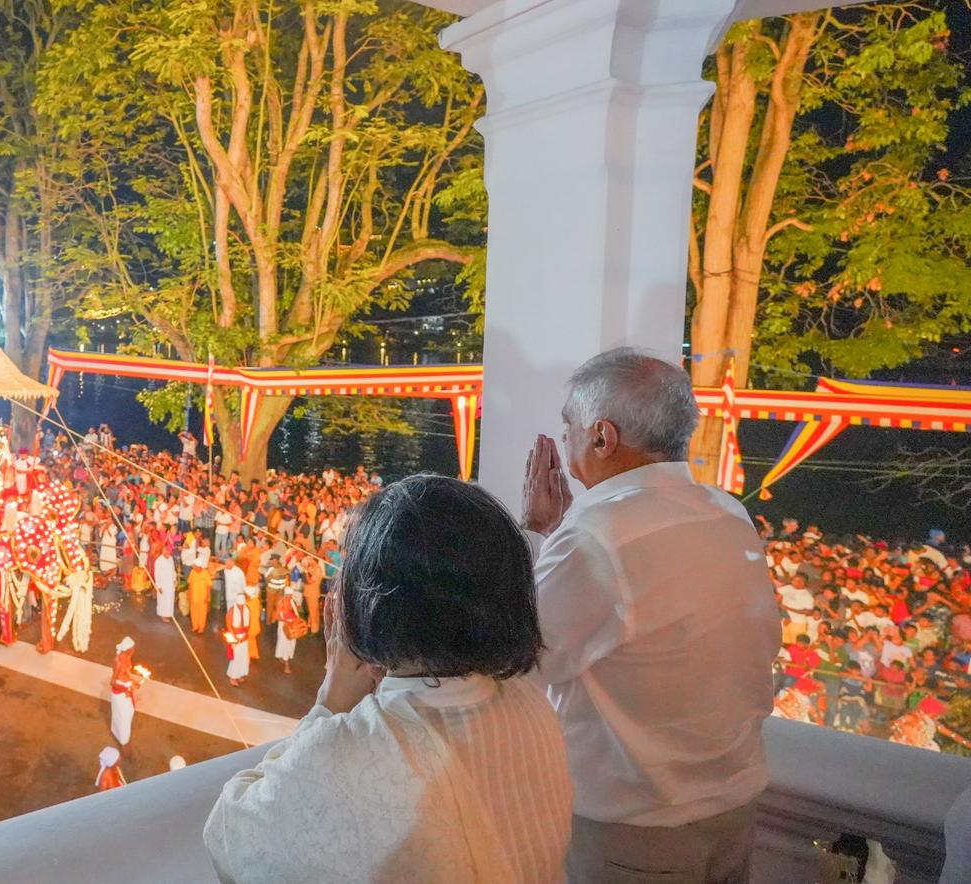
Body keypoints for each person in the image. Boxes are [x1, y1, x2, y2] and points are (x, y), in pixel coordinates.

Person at [204, 475, 572, 882]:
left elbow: (229, 836)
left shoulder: (354, 749)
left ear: (371, 605)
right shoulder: (533, 705)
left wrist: (329, 703)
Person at [521, 348, 779, 883]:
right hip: (733, 805)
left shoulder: (595, 537)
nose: (565, 439)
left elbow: (524, 660)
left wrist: (543, 535)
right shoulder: (728, 512)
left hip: (638, 831)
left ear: (602, 437)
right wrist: (558, 535)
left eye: (569, 426)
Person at [110, 637, 141, 746]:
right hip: (120, 691)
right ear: (127, 649)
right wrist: (126, 689)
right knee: (122, 715)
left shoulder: (127, 657)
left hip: (126, 688)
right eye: (132, 648)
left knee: (129, 712)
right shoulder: (118, 662)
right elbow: (113, 682)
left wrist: (134, 681)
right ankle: (122, 739)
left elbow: (127, 672)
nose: (133, 650)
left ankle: (123, 735)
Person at [273, 586, 303, 674]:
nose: (289, 597)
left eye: (290, 595)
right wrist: (286, 621)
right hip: (284, 625)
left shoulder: (292, 602)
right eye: (288, 595)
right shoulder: (280, 603)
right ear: (285, 595)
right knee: (285, 643)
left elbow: (295, 612)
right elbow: (276, 616)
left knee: (291, 643)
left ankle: (282, 656)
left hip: (292, 625)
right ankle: (286, 665)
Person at [224, 592, 251, 686]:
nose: (241, 607)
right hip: (236, 636)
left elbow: (248, 624)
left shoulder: (247, 609)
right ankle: (233, 677)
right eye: (239, 605)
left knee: (243, 657)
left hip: (244, 636)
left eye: (242, 605)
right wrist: (235, 636)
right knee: (236, 657)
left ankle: (239, 674)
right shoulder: (232, 610)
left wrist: (245, 634)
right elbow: (228, 624)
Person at [188, 549, 213, 634]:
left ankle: (201, 627)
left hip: (202, 598)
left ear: (199, 566)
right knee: (193, 612)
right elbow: (189, 583)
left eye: (194, 566)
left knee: (202, 613)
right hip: (193, 597)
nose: (193, 567)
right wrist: (189, 594)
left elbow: (209, 586)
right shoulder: (192, 572)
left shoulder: (205, 573)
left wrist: (208, 597)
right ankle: (195, 626)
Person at [153, 548, 177, 622]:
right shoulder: (159, 561)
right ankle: (163, 615)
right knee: (163, 600)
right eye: (166, 551)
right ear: (163, 551)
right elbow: (156, 574)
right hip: (163, 584)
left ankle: (169, 613)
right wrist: (158, 586)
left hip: (170, 583)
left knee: (170, 599)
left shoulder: (171, 558)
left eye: (168, 551)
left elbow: (173, 570)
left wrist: (174, 579)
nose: (167, 552)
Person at [245, 585, 262, 661]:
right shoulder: (256, 601)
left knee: (249, 642)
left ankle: (247, 657)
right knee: (253, 641)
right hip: (255, 626)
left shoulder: (250, 604)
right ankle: (254, 654)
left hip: (250, 627)